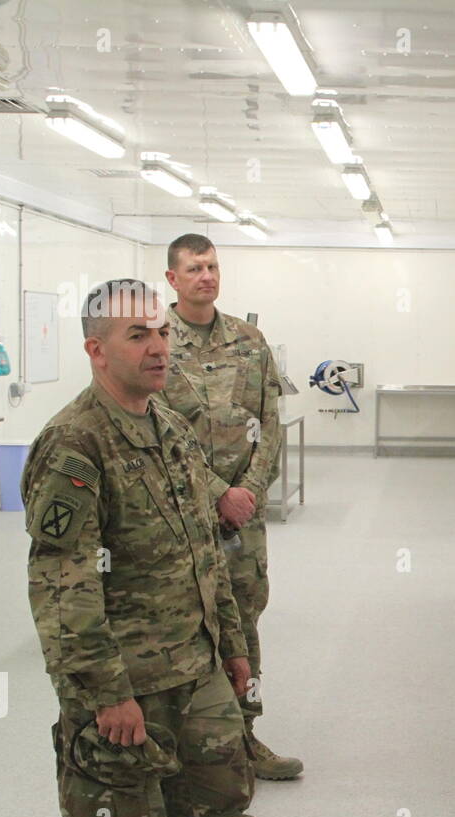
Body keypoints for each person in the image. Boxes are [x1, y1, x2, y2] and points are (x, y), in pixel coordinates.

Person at [22, 278, 262, 817]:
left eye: (161, 333)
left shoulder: (171, 429)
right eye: (137, 336)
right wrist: (106, 696)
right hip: (126, 692)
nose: (158, 348)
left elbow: (206, 553)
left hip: (198, 674)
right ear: (96, 350)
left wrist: (231, 646)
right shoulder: (75, 446)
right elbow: (62, 591)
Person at [159, 234, 301, 780]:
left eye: (213, 266)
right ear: (172, 279)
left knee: (244, 618)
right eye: (194, 268)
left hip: (245, 518)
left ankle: (245, 735)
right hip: (181, 516)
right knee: (184, 623)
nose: (207, 276)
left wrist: (250, 491)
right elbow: (157, 434)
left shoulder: (249, 340)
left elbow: (270, 422)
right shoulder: (156, 343)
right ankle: (185, 745)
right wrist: (218, 491)